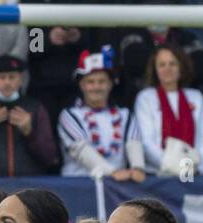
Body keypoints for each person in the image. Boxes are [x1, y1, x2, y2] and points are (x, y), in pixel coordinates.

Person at [59, 49, 147, 181]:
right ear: (82, 85)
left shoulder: (125, 115)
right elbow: (81, 149)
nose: (96, 86)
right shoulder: (69, 115)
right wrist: (112, 172)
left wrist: (138, 168)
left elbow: (134, 143)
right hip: (78, 185)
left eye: (102, 81)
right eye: (91, 82)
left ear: (111, 84)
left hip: (118, 186)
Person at [133, 44, 203, 177]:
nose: (167, 68)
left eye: (173, 64)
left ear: (181, 67)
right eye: (162, 64)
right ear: (155, 69)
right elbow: (146, 140)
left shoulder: (196, 97)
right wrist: (173, 167)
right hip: (158, 175)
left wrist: (197, 167)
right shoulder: (146, 97)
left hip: (192, 175)